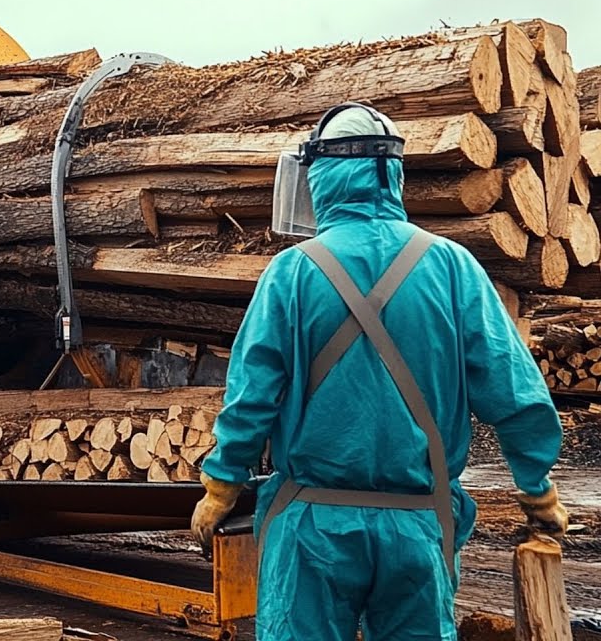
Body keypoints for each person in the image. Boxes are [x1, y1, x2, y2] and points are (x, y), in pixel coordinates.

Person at [189, 102, 568, 641]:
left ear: (319, 175)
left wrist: (222, 484)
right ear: (392, 173)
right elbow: (516, 391)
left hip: (312, 525)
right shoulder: (453, 268)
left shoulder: (292, 273)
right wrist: (537, 489)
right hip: (417, 523)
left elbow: (252, 395)